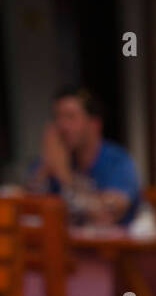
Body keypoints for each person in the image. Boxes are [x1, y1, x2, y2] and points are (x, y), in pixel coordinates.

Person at [28, 86, 141, 226]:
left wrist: (64, 176)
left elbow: (105, 215)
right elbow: (27, 212)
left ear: (94, 124)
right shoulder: (50, 161)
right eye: (57, 117)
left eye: (70, 117)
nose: (62, 126)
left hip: (110, 239)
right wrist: (44, 170)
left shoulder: (117, 160)